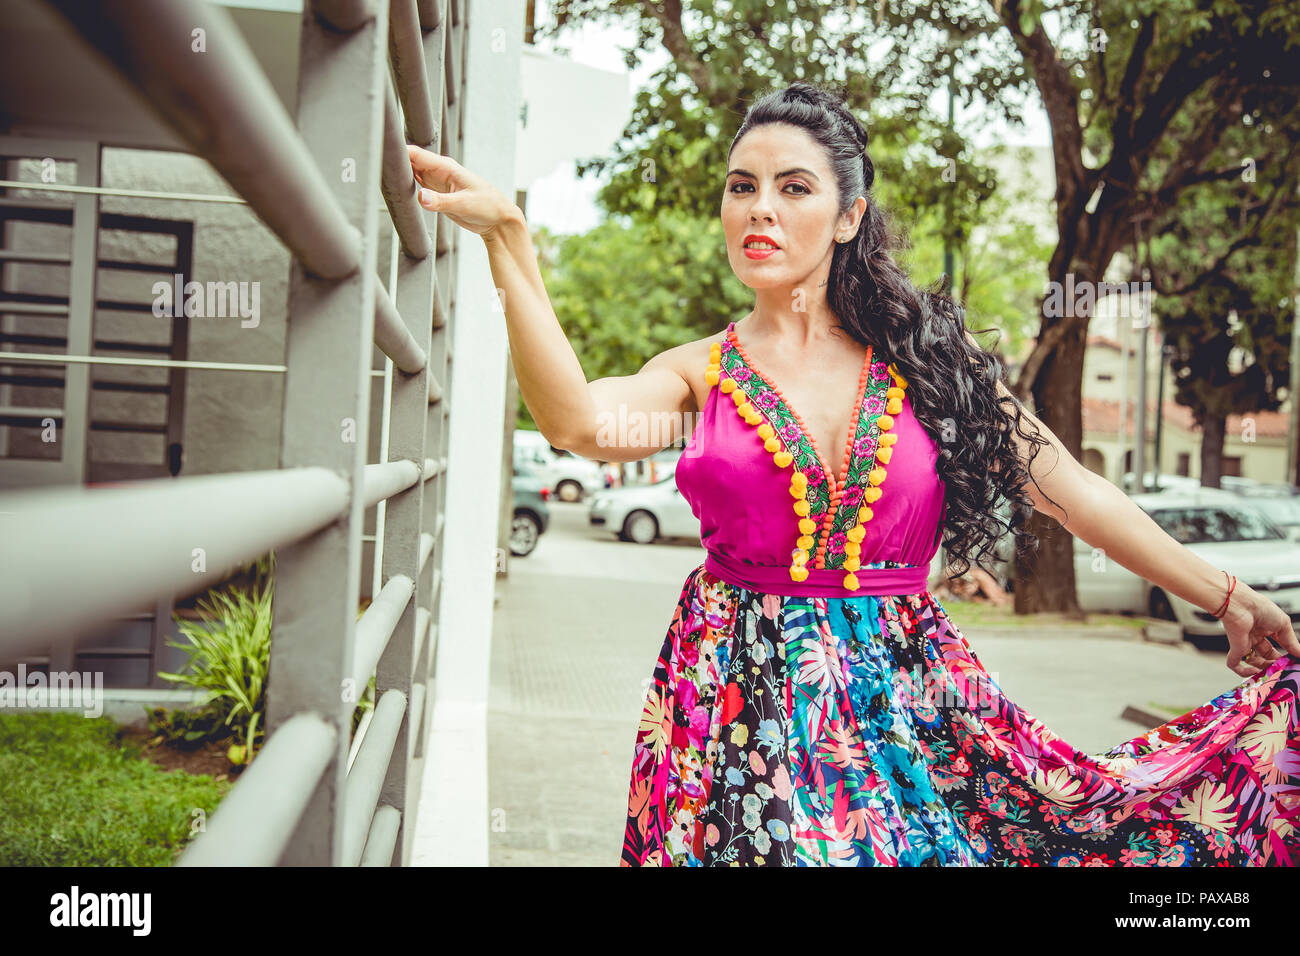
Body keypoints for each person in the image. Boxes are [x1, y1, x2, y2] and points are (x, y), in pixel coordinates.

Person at [408, 82, 1300, 867]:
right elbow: (574, 421)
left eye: (794, 188)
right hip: (731, 703)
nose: (760, 209)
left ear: (848, 216)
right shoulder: (698, 373)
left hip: (909, 702)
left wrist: (1228, 595)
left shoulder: (929, 365)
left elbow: (1074, 489)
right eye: (741, 187)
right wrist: (511, 244)